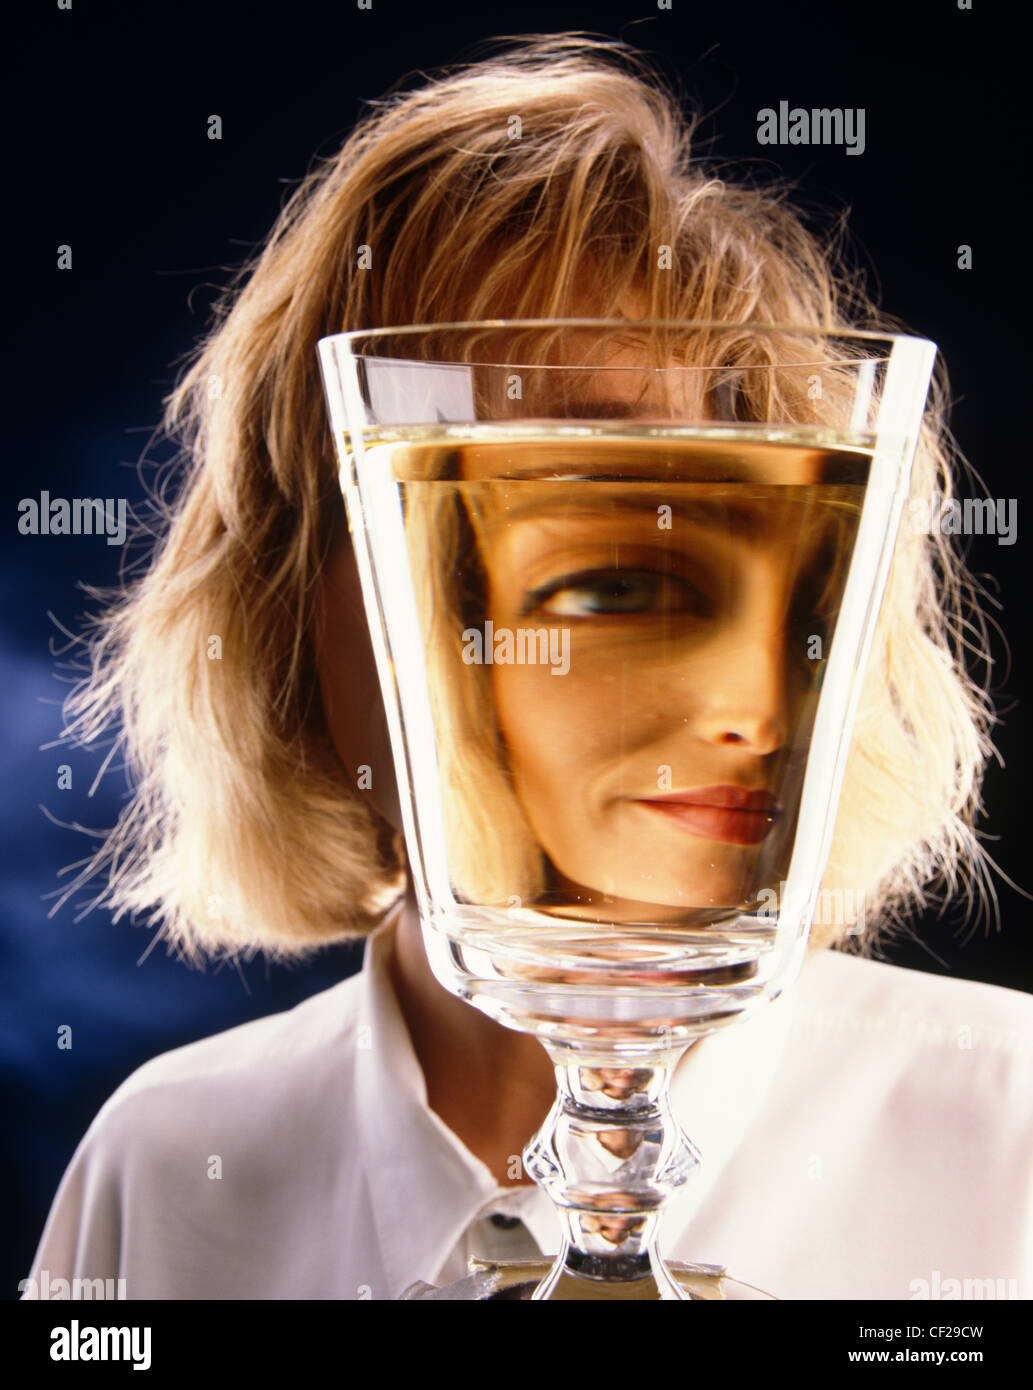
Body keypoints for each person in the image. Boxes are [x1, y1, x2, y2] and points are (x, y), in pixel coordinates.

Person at [22, 33, 1033, 1302]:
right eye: (611, 584)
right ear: (310, 622)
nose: (754, 700)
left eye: (793, 592)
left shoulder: (1011, 1142)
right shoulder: (169, 1169)